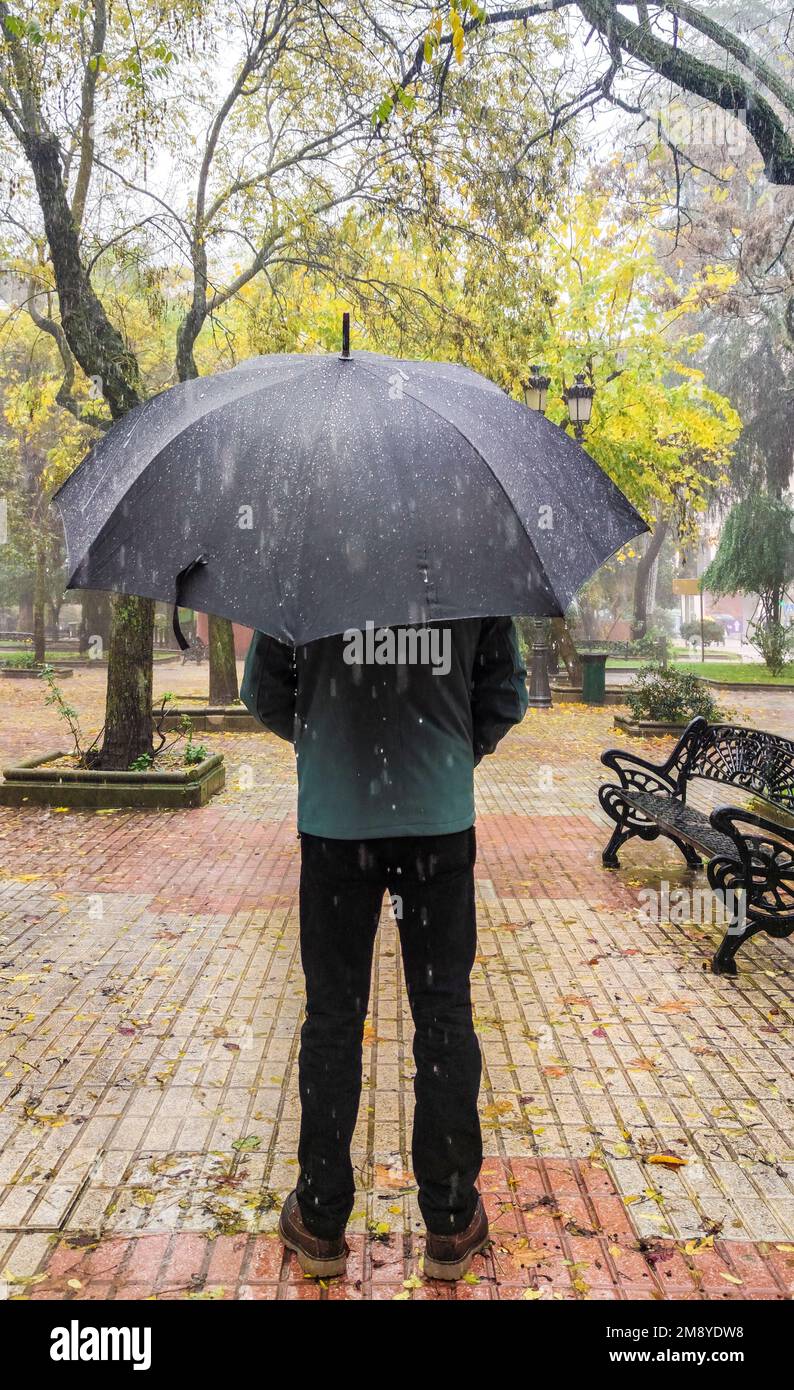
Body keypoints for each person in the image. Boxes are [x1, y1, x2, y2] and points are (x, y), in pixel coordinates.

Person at [241, 617, 527, 1280]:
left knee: (335, 1015)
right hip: (437, 821)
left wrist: (325, 742)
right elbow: (505, 695)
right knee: (444, 1011)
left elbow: (263, 691)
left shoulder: (302, 569)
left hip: (338, 821)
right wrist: (451, 748)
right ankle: (452, 1223)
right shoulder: (470, 563)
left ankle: (319, 1218)